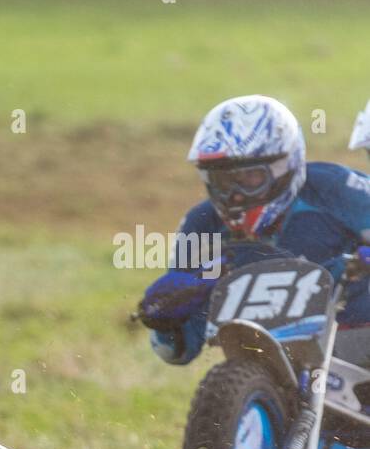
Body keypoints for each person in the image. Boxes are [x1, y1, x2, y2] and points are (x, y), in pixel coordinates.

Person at [138, 94, 370, 363]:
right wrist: (165, 320)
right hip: (261, 360)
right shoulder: (200, 226)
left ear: (284, 167)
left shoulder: (336, 188)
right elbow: (176, 352)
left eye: (250, 177)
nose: (235, 195)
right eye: (223, 181)